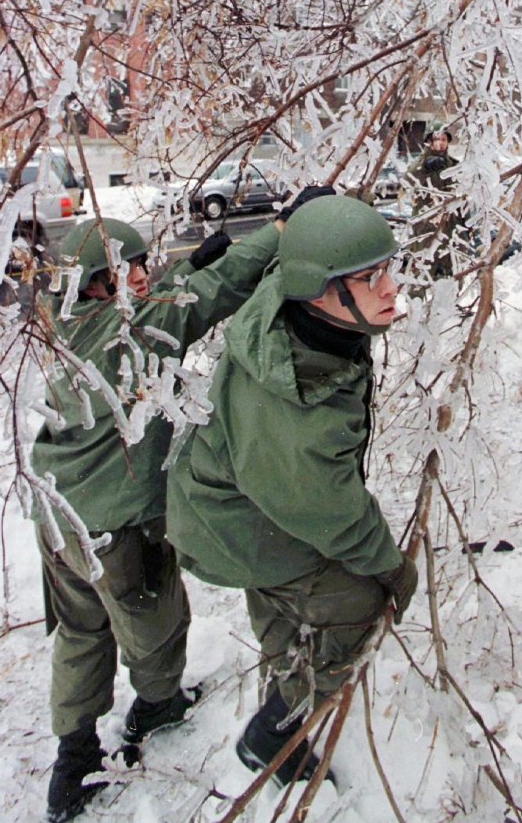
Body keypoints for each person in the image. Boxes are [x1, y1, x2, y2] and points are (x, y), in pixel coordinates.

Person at [32, 214, 283, 823]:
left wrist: (190, 264)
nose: (144, 276)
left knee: (82, 630)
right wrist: (279, 229)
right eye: (130, 268)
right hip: (118, 523)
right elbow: (198, 304)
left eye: (145, 265)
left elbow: (160, 306)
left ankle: (74, 755)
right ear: (96, 282)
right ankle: (158, 704)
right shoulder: (125, 335)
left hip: (60, 517)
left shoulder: (59, 322)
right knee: (154, 619)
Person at [166, 195, 418, 788]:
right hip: (236, 520)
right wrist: (392, 570)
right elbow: (332, 514)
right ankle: (271, 733)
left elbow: (286, 259)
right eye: (368, 277)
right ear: (316, 289)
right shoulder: (296, 410)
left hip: (229, 494)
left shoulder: (296, 305)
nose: (391, 288)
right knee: (356, 604)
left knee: (288, 599)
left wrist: (304, 221)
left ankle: (286, 661)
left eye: (388, 267)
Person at [405, 128, 465, 283]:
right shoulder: (419, 164)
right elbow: (409, 180)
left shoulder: (454, 164)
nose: (441, 143)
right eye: (437, 139)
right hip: (427, 225)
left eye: (444, 139)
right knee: (422, 271)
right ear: (429, 142)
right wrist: (424, 167)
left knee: (452, 274)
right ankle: (416, 304)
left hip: (451, 226)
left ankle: (452, 304)